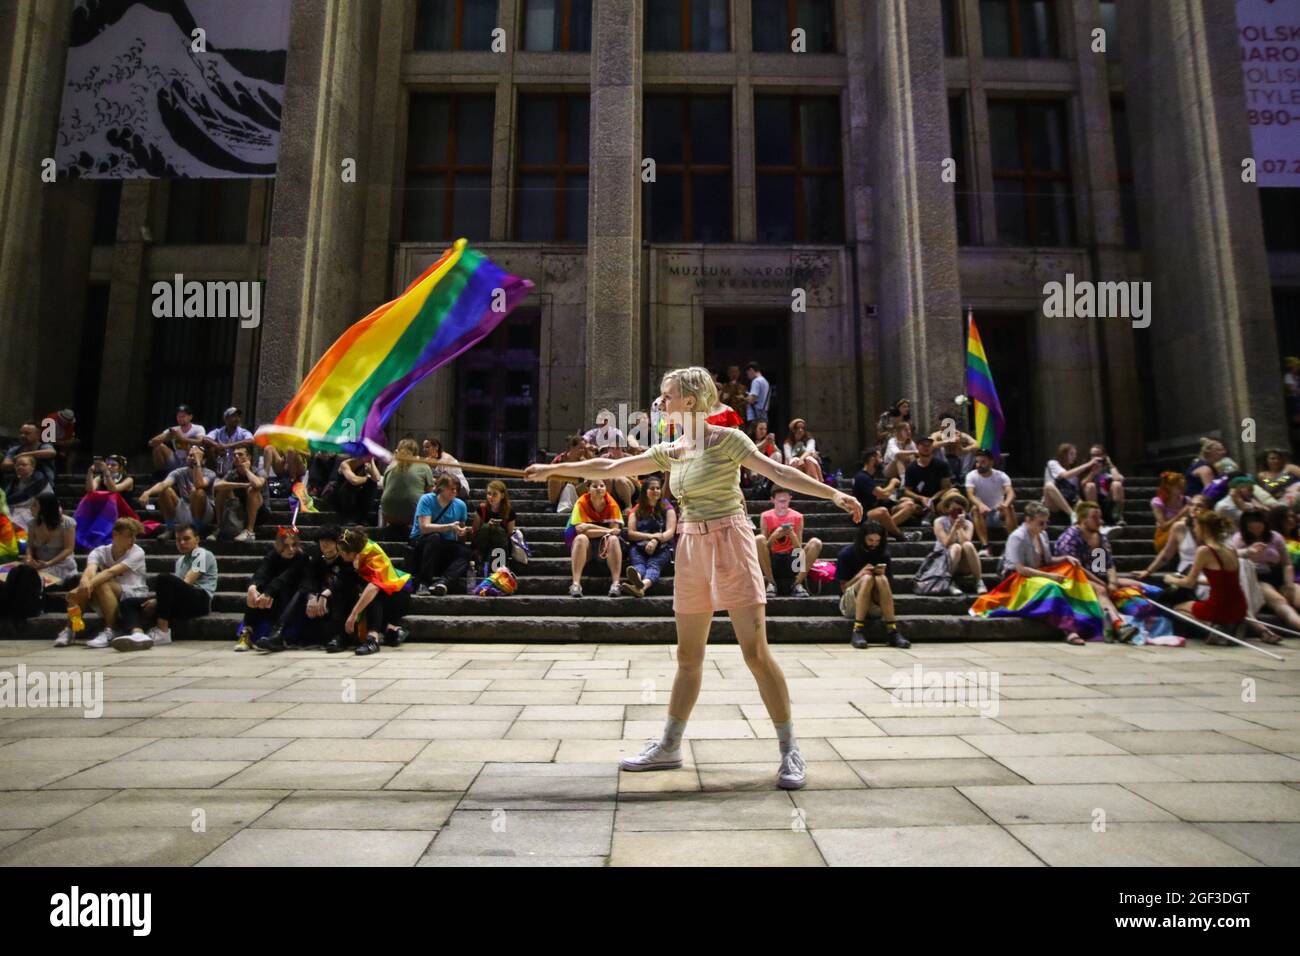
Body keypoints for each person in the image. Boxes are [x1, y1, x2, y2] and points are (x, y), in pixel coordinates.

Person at [525, 366, 863, 790]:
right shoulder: (675, 449)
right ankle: (669, 745)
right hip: (690, 546)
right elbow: (614, 467)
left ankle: (789, 749)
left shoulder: (727, 441)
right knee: (688, 657)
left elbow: (780, 474)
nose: (660, 403)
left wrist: (835, 493)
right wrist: (552, 470)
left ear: (689, 401)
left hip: (732, 541)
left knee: (755, 653)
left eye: (666, 396)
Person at [973, 502, 1097, 644]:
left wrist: (1066, 558)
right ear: (1028, 520)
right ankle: (1070, 630)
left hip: (1039, 573)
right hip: (1019, 578)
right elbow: (1020, 568)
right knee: (1052, 587)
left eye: (1046, 523)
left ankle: (1087, 615)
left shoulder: (1042, 534)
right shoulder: (1017, 537)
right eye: (1041, 523)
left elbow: (1049, 560)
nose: (1044, 526)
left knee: (1072, 571)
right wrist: (1050, 577)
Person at [256, 525, 361, 653]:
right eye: (321, 541)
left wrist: (325, 594)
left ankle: (339, 637)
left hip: (341, 603)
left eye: (328, 541)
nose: (324, 544)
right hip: (320, 605)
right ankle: (278, 633)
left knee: (341, 594)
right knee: (301, 592)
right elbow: (308, 580)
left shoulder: (345, 558)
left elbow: (345, 581)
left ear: (336, 543)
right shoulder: (316, 560)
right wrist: (312, 596)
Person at [116, 524, 217, 650]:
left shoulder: (202, 554)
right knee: (128, 603)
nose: (181, 543)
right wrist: (160, 600)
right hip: (182, 601)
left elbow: (187, 581)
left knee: (164, 579)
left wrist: (159, 600)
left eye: (186, 539)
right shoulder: (180, 561)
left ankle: (163, 630)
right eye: (178, 540)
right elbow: (175, 588)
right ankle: (138, 634)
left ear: (196, 539)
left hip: (200, 600)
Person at [1055, 501, 1142, 642]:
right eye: (1094, 517)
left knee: (1133, 584)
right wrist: (1101, 582)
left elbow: (1103, 566)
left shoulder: (1099, 538)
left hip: (1093, 576)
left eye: (1100, 517)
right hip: (1072, 577)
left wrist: (1112, 582)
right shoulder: (1070, 537)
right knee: (1100, 589)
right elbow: (1075, 568)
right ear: (1083, 519)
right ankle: (1119, 625)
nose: (1099, 521)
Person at [55, 517, 148, 648]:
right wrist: (82, 585)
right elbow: (90, 570)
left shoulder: (137, 552)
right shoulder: (99, 551)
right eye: (129, 536)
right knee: (84, 589)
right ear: (116, 534)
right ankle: (71, 628)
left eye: (135, 536)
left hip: (134, 594)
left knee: (101, 583)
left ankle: (110, 630)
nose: (133, 540)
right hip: (109, 593)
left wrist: (81, 589)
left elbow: (110, 572)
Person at [1164, 511, 1254, 645]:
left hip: (1219, 605)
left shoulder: (1204, 551)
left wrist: (1170, 579)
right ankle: (1232, 624)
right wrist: (1198, 580)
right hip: (1240, 605)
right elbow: (1225, 580)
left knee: (1178, 608)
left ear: (1203, 528)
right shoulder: (1230, 548)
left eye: (1196, 526)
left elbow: (1189, 583)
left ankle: (1215, 628)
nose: (1194, 530)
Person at [337, 526, 413, 654]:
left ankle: (373, 639)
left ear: (349, 553)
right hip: (387, 593)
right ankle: (392, 630)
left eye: (341, 552)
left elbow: (374, 586)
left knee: (372, 595)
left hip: (398, 593)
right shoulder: (360, 552)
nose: (340, 554)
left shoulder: (373, 555)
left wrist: (354, 614)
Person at [836, 519, 908, 649]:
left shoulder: (883, 554)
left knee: (881, 578)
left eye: (877, 541)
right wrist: (859, 575)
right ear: (862, 538)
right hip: (850, 604)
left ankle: (892, 630)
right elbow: (844, 588)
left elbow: (888, 587)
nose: (873, 544)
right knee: (867, 578)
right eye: (870, 540)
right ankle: (857, 629)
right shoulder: (846, 554)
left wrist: (881, 574)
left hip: (875, 603)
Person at [233, 526, 308, 651]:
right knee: (256, 589)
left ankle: (278, 634)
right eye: (286, 546)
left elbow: (286, 577)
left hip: (291, 600)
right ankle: (247, 631)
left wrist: (268, 593)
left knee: (280, 588)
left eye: (294, 545)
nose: (291, 549)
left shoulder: (301, 557)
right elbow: (262, 572)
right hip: (273, 597)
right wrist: (253, 587)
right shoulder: (273, 555)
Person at [1231, 510, 1300, 631]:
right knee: (1280, 601)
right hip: (1258, 577)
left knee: (1297, 595)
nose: (1256, 530)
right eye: (1251, 528)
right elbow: (1231, 555)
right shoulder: (1239, 538)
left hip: (1278, 574)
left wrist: (1289, 584)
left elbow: (1287, 563)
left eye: (1259, 527)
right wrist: (1248, 551)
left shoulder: (1275, 537)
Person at [410, 475, 472, 595]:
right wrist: (449, 527)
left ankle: (443, 582)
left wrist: (462, 532)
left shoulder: (460, 505)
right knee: (435, 537)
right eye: (451, 488)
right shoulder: (427, 499)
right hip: (423, 542)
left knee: (465, 551)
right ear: (441, 488)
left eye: (456, 489)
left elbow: (461, 529)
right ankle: (423, 583)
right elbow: (424, 528)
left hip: (445, 544)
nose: (454, 492)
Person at [757, 487, 823, 598]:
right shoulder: (765, 516)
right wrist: (774, 536)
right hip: (773, 558)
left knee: (815, 543)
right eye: (780, 501)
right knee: (758, 539)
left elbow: (799, 550)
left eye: (785, 500)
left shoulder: (797, 517)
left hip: (792, 559)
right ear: (772, 500)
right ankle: (771, 583)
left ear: (790, 499)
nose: (783, 504)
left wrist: (792, 535)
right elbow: (764, 547)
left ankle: (797, 584)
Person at [564, 478, 624, 597]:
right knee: (581, 538)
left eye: (602, 486)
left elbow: (615, 532)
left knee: (613, 539)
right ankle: (576, 584)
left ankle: (616, 583)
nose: (599, 489)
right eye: (595, 486)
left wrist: (589, 527)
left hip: (604, 545)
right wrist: (607, 530)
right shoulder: (581, 502)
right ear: (588, 489)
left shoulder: (612, 504)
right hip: (583, 546)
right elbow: (580, 530)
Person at [137, 445, 216, 536]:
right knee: (165, 491)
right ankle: (170, 528)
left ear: (203, 460)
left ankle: (197, 530)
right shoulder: (179, 472)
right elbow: (163, 484)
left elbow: (199, 484)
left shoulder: (210, 473)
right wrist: (148, 492)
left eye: (195, 456)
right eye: (190, 455)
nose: (191, 458)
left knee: (198, 492)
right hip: (185, 507)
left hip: (204, 512)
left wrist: (197, 463)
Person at [852, 448, 921, 542]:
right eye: (880, 457)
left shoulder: (871, 477)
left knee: (909, 504)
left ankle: (883, 531)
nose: (882, 460)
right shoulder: (862, 477)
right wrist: (893, 482)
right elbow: (883, 494)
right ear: (872, 459)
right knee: (882, 511)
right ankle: (901, 536)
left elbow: (884, 496)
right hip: (863, 514)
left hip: (878, 509)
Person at [623, 475, 676, 597]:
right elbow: (631, 533)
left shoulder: (667, 507)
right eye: (652, 488)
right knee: (638, 565)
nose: (656, 491)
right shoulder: (636, 509)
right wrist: (651, 537)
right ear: (645, 491)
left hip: (662, 547)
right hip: (639, 547)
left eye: (658, 488)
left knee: (654, 565)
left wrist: (656, 540)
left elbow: (670, 532)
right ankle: (638, 582)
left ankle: (642, 586)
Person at [379, 438, 435, 540]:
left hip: (389, 514)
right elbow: (429, 495)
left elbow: (385, 489)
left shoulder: (390, 466)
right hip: (412, 515)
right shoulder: (424, 466)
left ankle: (383, 529)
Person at [932, 491, 985, 595]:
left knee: (968, 545)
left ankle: (979, 581)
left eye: (959, 509)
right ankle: (948, 581)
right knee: (955, 547)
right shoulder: (939, 522)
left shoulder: (968, 524)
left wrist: (960, 527)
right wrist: (953, 528)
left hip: (963, 562)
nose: (955, 512)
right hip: (943, 560)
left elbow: (965, 542)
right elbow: (946, 543)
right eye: (953, 509)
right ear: (947, 509)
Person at [965, 448, 1016, 556]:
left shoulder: (1001, 475)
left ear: (991, 462)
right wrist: (980, 505)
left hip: (997, 512)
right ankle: (985, 546)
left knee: (1010, 507)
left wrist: (1005, 504)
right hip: (981, 513)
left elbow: (1010, 493)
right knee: (975, 508)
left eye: (983, 462)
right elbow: (970, 494)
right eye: (977, 462)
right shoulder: (971, 476)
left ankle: (1013, 544)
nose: (979, 465)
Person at [212, 446, 267, 542]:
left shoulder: (259, 471)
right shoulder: (232, 473)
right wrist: (242, 485)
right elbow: (216, 485)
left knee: (252, 490)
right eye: (234, 455)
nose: (236, 457)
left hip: (260, 512)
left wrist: (246, 470)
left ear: (249, 457)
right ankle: (219, 527)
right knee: (222, 490)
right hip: (240, 510)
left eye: (240, 454)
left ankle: (250, 531)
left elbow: (258, 484)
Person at [25, 493, 77, 587]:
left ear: (45, 508)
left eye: (35, 505)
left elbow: (69, 549)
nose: (31, 508)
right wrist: (29, 558)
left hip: (60, 564)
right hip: (38, 563)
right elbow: (30, 545)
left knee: (34, 581)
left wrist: (48, 563)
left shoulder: (67, 523)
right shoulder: (32, 523)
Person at [470, 479, 517, 573]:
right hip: (482, 542)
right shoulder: (481, 509)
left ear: (502, 495)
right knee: (487, 527)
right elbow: (475, 532)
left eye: (495, 494)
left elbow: (509, 533)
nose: (491, 497)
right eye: (489, 493)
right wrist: (487, 526)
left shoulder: (509, 511)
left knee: (498, 530)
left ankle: (499, 564)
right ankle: (480, 561)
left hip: (500, 545)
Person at [1042, 443, 1098, 522]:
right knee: (1049, 486)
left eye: (1075, 454)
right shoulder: (1053, 463)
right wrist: (1089, 464)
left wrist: (1093, 472)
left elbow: (1076, 490)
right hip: (1054, 503)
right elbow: (1065, 475)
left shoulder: (1073, 469)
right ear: (1063, 454)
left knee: (1084, 508)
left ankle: (1095, 520)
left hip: (1070, 500)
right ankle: (1072, 515)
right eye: (1071, 454)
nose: (1074, 457)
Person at [901, 435, 952, 521]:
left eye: (929, 445)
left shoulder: (942, 465)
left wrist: (932, 499)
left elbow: (946, 487)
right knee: (905, 501)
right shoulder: (911, 467)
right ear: (917, 446)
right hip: (918, 501)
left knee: (953, 494)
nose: (926, 447)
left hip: (938, 499)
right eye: (923, 445)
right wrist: (921, 498)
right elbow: (907, 490)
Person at [148, 404, 206, 475]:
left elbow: (201, 442)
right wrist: (166, 437)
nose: (180, 418)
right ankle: (160, 475)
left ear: (190, 417)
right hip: (176, 460)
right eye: (178, 416)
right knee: (158, 447)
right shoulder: (174, 430)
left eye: (183, 416)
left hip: (191, 460)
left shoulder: (198, 428)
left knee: (192, 447)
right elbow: (151, 442)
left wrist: (181, 438)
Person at [330, 455, 382, 526]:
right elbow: (354, 480)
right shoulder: (345, 464)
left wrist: (372, 461)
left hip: (357, 498)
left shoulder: (367, 465)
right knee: (351, 484)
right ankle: (348, 518)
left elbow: (377, 478)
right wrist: (368, 477)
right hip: (341, 499)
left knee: (372, 484)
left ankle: (363, 517)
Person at [1082, 444, 1126, 526]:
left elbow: (1118, 479)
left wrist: (1110, 464)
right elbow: (1082, 484)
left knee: (1117, 484)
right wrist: (1093, 473)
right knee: (1090, 485)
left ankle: (1118, 517)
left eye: (1098, 455)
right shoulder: (1086, 467)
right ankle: (1095, 517)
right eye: (1093, 455)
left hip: (1109, 499)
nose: (1095, 457)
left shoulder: (1109, 468)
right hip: (1094, 500)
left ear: (1103, 455)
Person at [3, 454, 51, 529]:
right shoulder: (14, 481)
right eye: (17, 465)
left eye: (24, 465)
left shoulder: (40, 481)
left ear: (33, 467)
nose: (20, 467)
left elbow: (43, 503)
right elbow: (6, 499)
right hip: (14, 510)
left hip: (34, 511)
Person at [547, 436, 593, 513]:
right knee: (554, 477)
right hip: (561, 488)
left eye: (584, 448)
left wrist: (588, 451)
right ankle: (553, 505)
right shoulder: (560, 459)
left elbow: (595, 469)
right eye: (580, 448)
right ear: (572, 447)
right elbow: (548, 473)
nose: (582, 451)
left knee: (591, 480)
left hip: (577, 489)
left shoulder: (584, 461)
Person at [203, 406, 255, 475]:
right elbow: (205, 439)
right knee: (209, 447)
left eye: (238, 417)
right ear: (226, 419)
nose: (237, 419)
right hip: (220, 462)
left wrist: (228, 446)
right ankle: (213, 473)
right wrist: (217, 446)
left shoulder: (243, 432)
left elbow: (251, 441)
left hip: (236, 464)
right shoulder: (218, 432)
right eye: (234, 416)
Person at [2, 421, 57, 485]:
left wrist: (23, 455)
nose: (23, 436)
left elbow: (51, 452)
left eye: (27, 433)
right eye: (21, 433)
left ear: (38, 435)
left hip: (42, 486)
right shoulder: (15, 449)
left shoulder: (44, 446)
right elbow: (5, 464)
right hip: (19, 484)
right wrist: (22, 465)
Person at [1150, 471, 1190, 553]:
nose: (1182, 489)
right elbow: (1163, 526)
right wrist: (1181, 514)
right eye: (1178, 487)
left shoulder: (1187, 500)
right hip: (1165, 536)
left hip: (1184, 535)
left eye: (1183, 487)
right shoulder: (1158, 502)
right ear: (1168, 487)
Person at [931, 416, 979, 481]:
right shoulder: (937, 435)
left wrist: (964, 449)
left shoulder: (960, 435)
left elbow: (977, 444)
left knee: (972, 450)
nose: (942, 428)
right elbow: (931, 444)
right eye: (941, 425)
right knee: (936, 449)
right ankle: (947, 475)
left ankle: (963, 476)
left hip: (958, 459)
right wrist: (949, 441)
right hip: (944, 459)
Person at [782, 419, 824, 483]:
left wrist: (802, 458)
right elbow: (788, 457)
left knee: (809, 459)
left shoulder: (810, 439)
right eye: (798, 428)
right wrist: (798, 461)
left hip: (808, 463)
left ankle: (813, 483)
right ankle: (797, 484)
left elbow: (810, 450)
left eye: (802, 428)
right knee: (794, 461)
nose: (800, 430)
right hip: (795, 465)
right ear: (793, 430)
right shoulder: (788, 442)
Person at [42, 409, 79, 474]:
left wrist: (71, 441)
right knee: (49, 447)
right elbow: (46, 439)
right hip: (49, 444)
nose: (66, 423)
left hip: (62, 445)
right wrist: (63, 443)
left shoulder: (70, 424)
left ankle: (69, 472)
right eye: (64, 421)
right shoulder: (50, 420)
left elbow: (69, 436)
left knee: (74, 449)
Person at [744, 361, 771, 432]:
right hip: (763, 413)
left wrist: (743, 398)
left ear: (751, 370)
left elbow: (752, 399)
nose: (748, 376)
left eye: (748, 373)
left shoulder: (756, 381)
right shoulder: (765, 381)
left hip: (755, 414)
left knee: (753, 436)